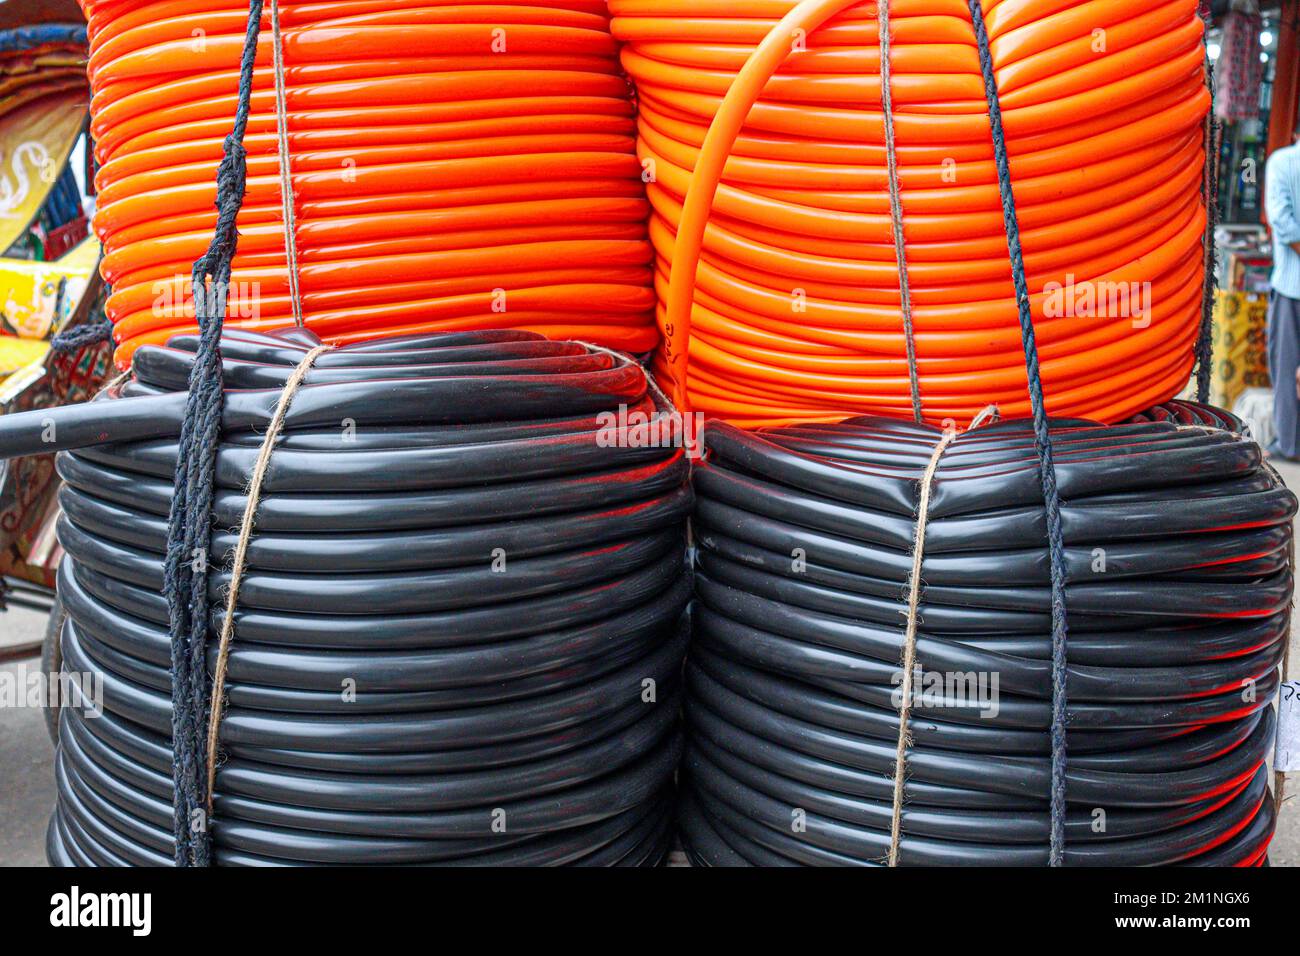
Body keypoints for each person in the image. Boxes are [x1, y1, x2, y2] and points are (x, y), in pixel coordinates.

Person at [1265, 124, 1300, 459]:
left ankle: (1290, 444)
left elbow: (1282, 221)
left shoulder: (1283, 161)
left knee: (1286, 367)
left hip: (1292, 286)